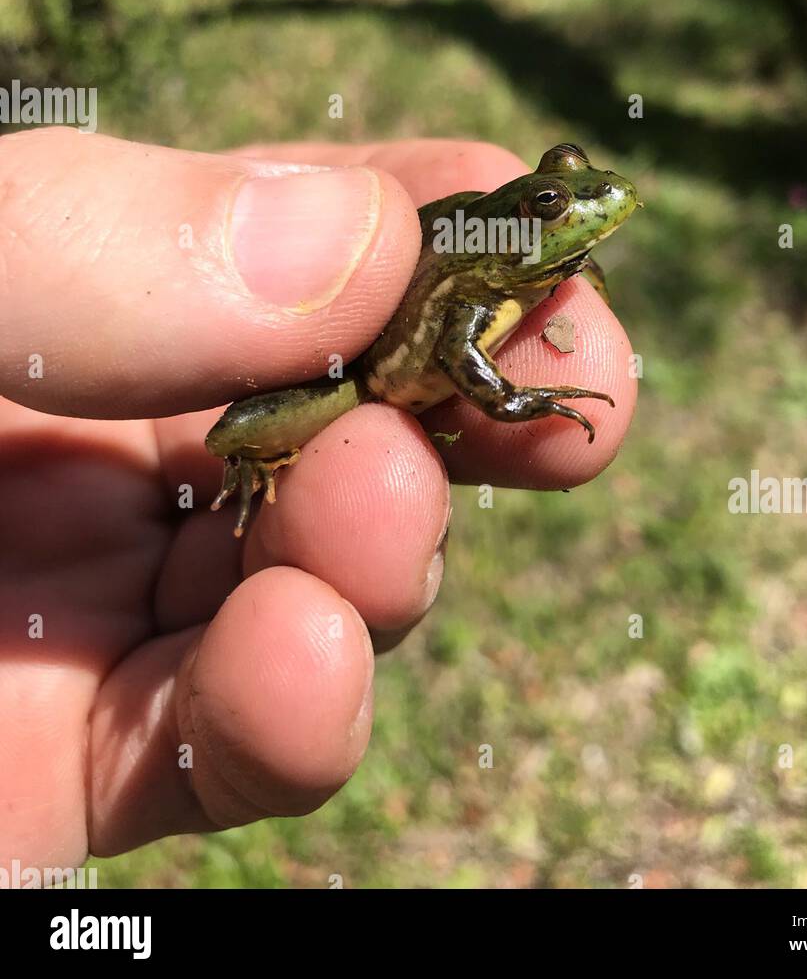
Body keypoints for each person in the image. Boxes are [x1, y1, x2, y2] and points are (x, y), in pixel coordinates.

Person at [0, 129, 636, 867]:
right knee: (239, 432)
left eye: (566, 188)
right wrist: (525, 403)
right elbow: (463, 360)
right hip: (355, 376)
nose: (593, 200)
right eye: (552, 205)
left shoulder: (512, 268)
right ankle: (253, 458)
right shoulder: (481, 279)